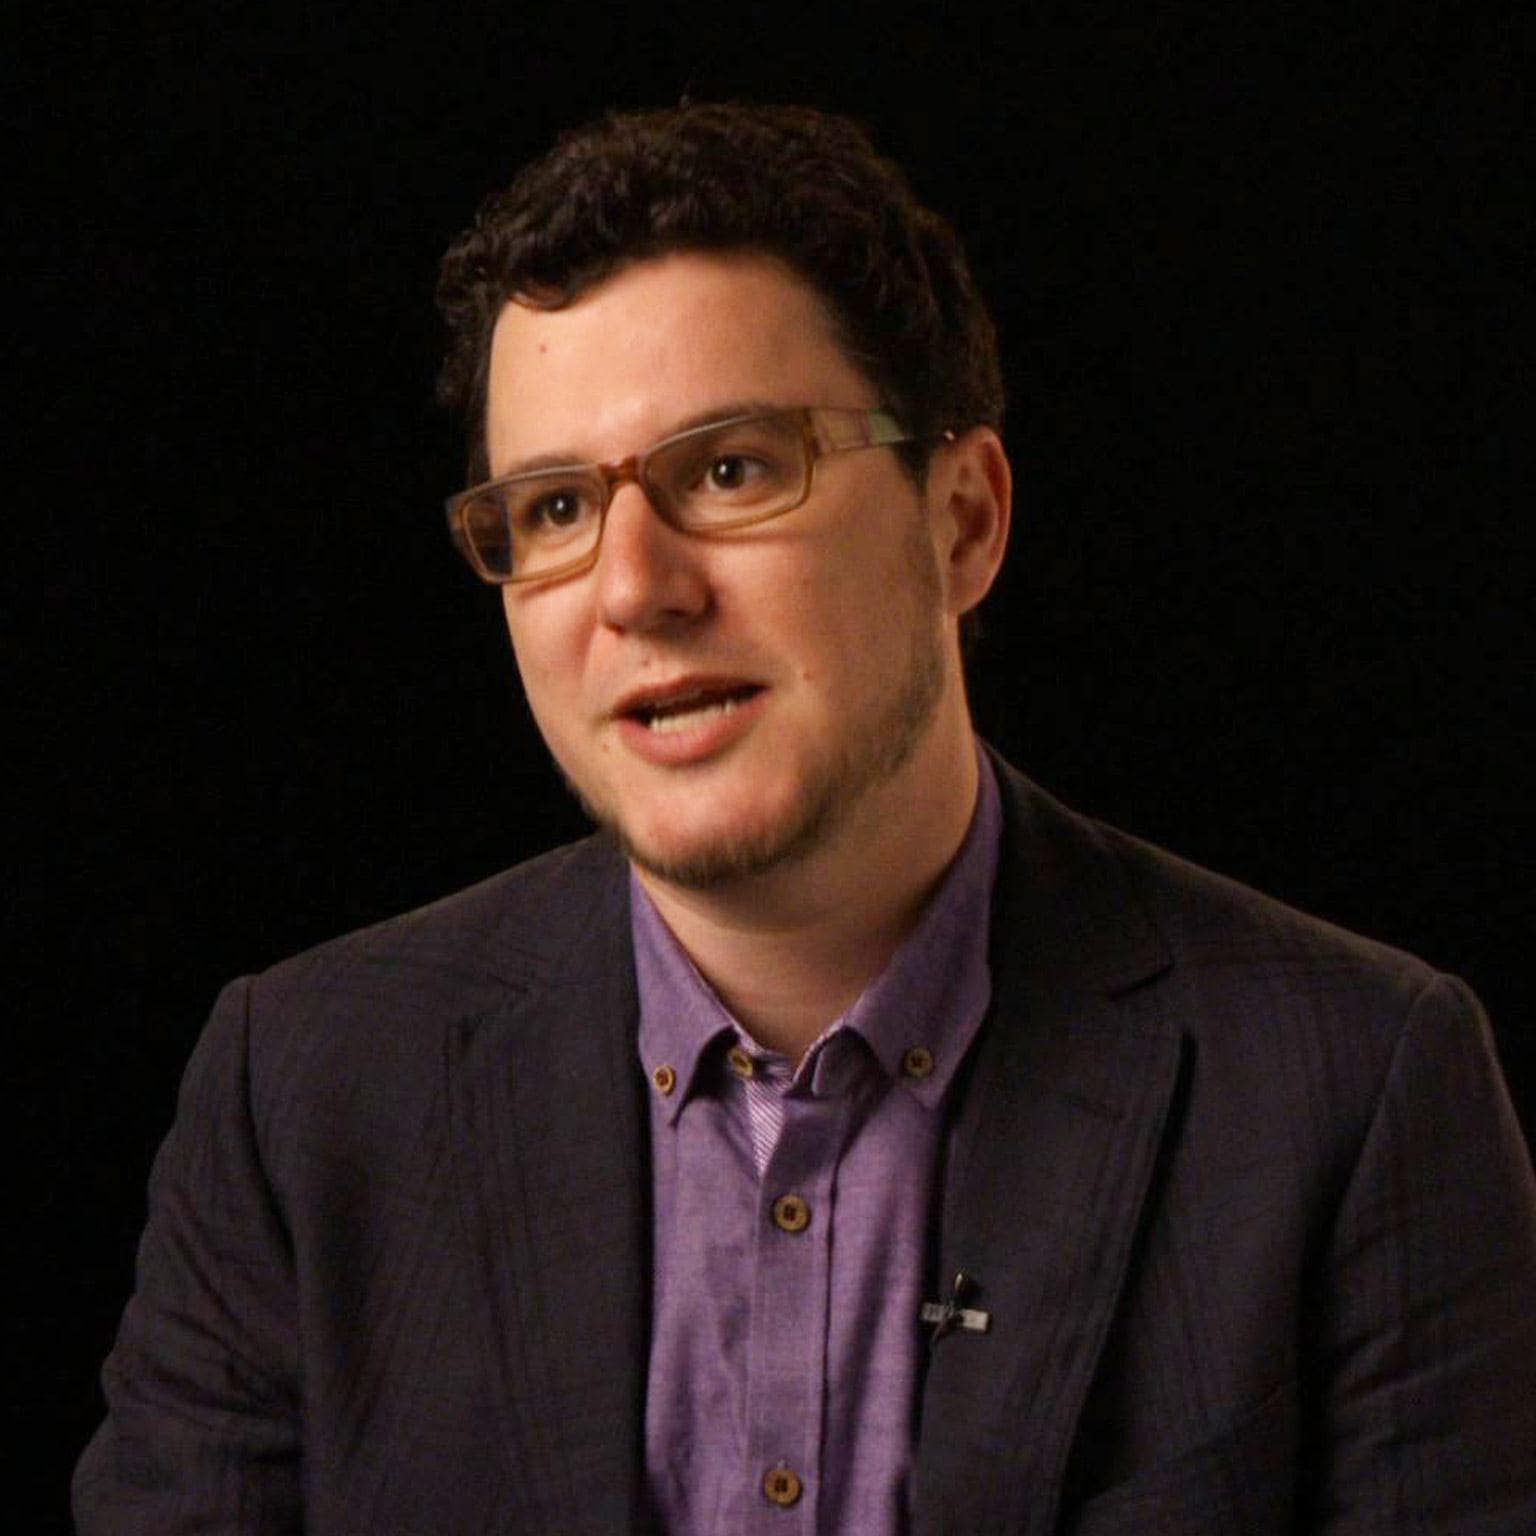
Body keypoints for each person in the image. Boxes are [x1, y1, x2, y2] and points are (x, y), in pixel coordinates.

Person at [75, 102, 1536, 1535]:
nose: (634, 589)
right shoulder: (301, 1097)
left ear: (962, 520)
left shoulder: (1355, 1092)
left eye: (732, 470)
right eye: (557, 509)